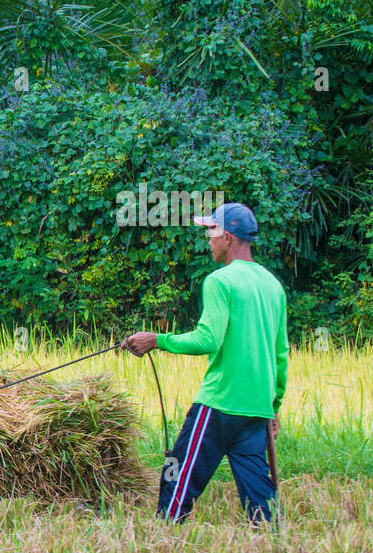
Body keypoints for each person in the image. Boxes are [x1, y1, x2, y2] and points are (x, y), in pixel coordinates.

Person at [123, 203, 288, 523]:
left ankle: (164, 532)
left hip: (220, 403)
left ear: (227, 236)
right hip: (256, 407)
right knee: (259, 493)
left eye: (211, 232)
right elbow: (280, 354)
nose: (207, 239)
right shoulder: (273, 286)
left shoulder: (220, 281)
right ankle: (272, 542)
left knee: (177, 471)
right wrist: (274, 405)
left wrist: (157, 340)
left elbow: (207, 340)